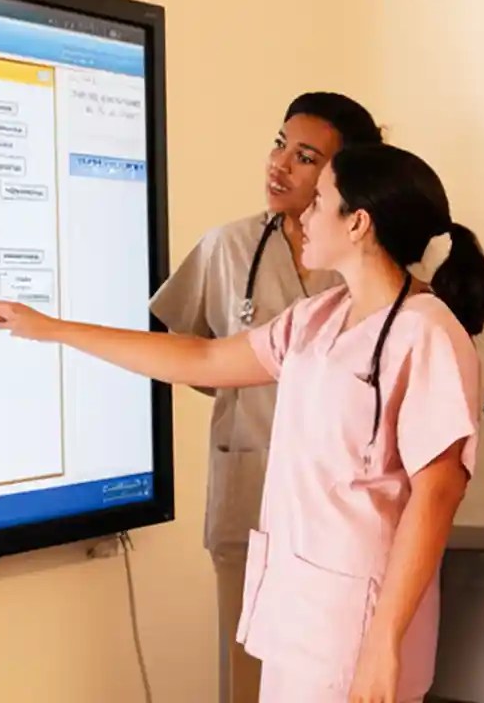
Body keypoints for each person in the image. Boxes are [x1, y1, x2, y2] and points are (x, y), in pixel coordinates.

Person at [0, 142, 484, 702]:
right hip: (301, 617)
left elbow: (437, 495)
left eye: (319, 201)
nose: (304, 215)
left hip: (362, 623)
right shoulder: (319, 317)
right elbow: (204, 358)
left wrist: (385, 643)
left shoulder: (426, 332)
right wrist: (54, 329)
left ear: (358, 223)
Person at [147, 91, 382, 702]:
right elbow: (183, 344)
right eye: (279, 145)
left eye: (305, 157)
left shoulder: (364, 257)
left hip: (339, 513)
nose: (279, 165)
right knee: (247, 679)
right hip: (247, 494)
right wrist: (236, 390)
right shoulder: (228, 247)